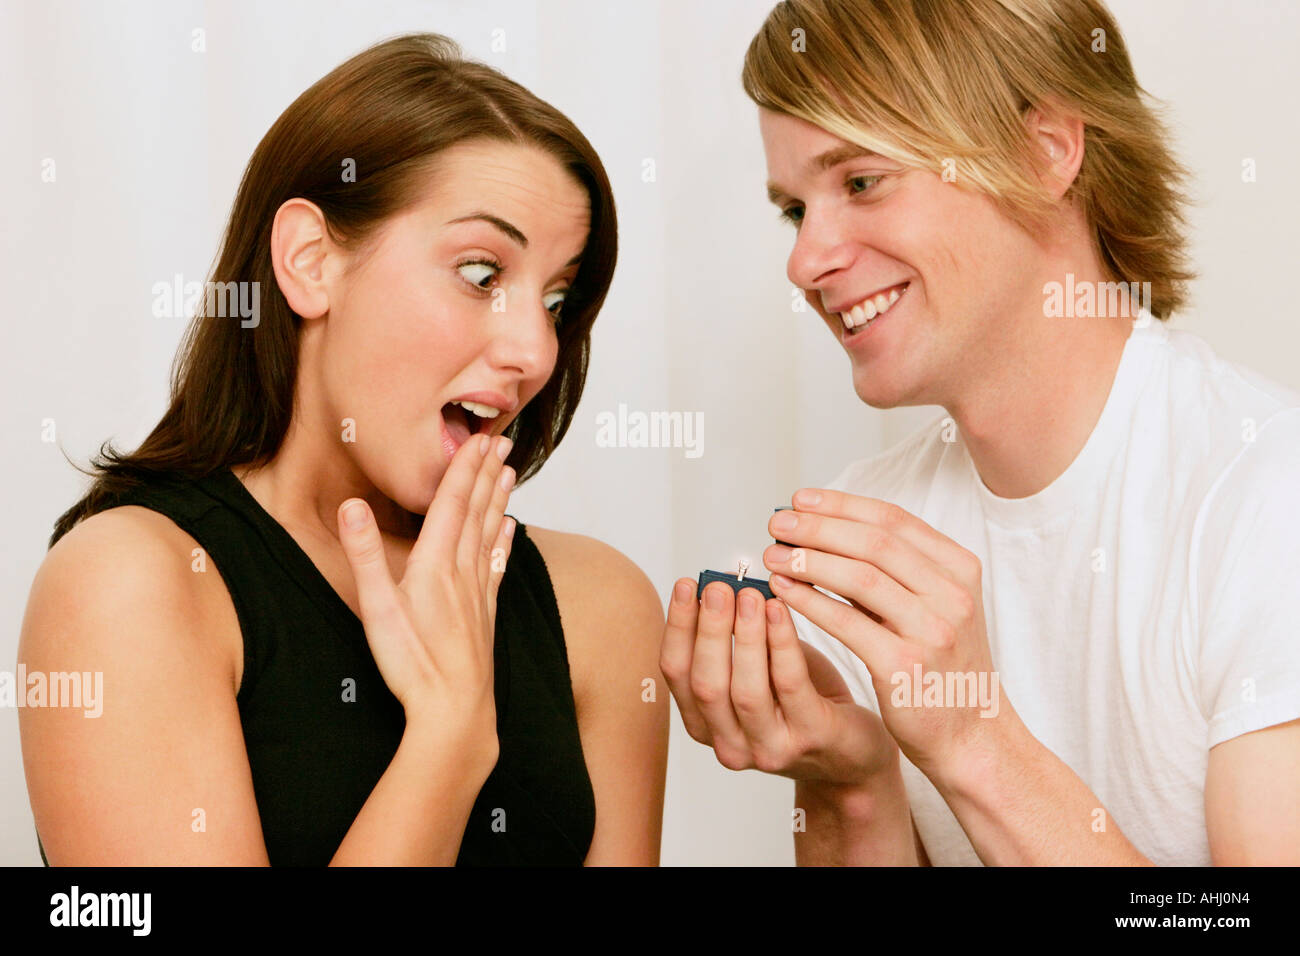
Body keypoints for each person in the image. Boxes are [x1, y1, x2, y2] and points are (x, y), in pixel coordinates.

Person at [661, 0, 1300, 865]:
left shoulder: (1265, 493)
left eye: (861, 182)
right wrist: (850, 779)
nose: (805, 261)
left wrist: (972, 738)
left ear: (1047, 151)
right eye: (794, 209)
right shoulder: (871, 531)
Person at [18, 33, 667, 866]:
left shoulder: (599, 607)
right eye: (480, 275)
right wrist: (449, 733)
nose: (536, 352)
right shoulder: (132, 585)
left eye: (555, 300)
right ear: (310, 262)